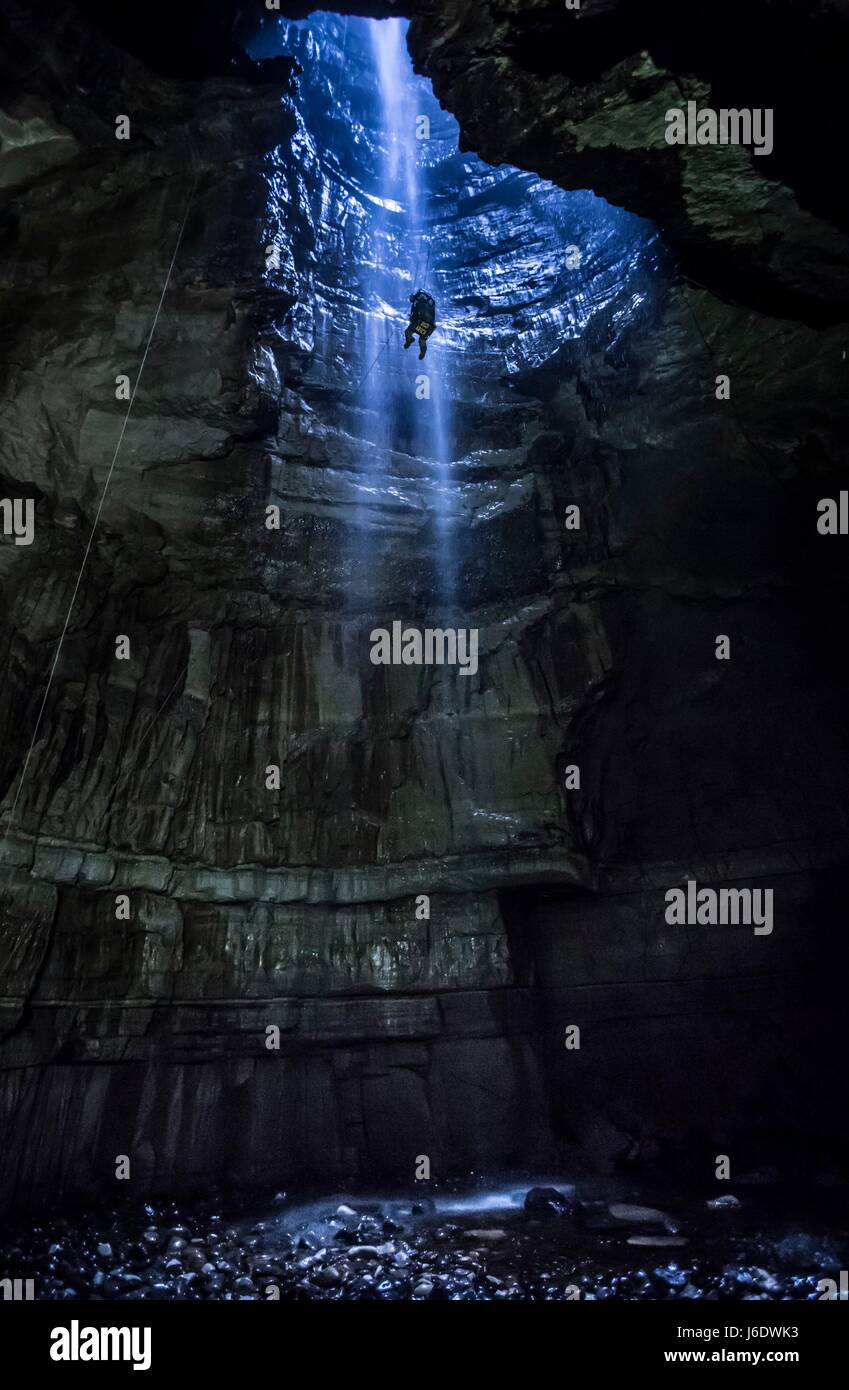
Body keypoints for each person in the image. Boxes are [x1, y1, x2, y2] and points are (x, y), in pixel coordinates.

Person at [404, 289, 436, 359]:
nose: (411, 299)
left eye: (411, 297)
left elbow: (422, 310)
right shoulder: (417, 302)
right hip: (420, 323)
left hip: (426, 325)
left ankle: (422, 352)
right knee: (408, 332)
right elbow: (415, 314)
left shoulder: (420, 301)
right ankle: (410, 340)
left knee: (421, 340)